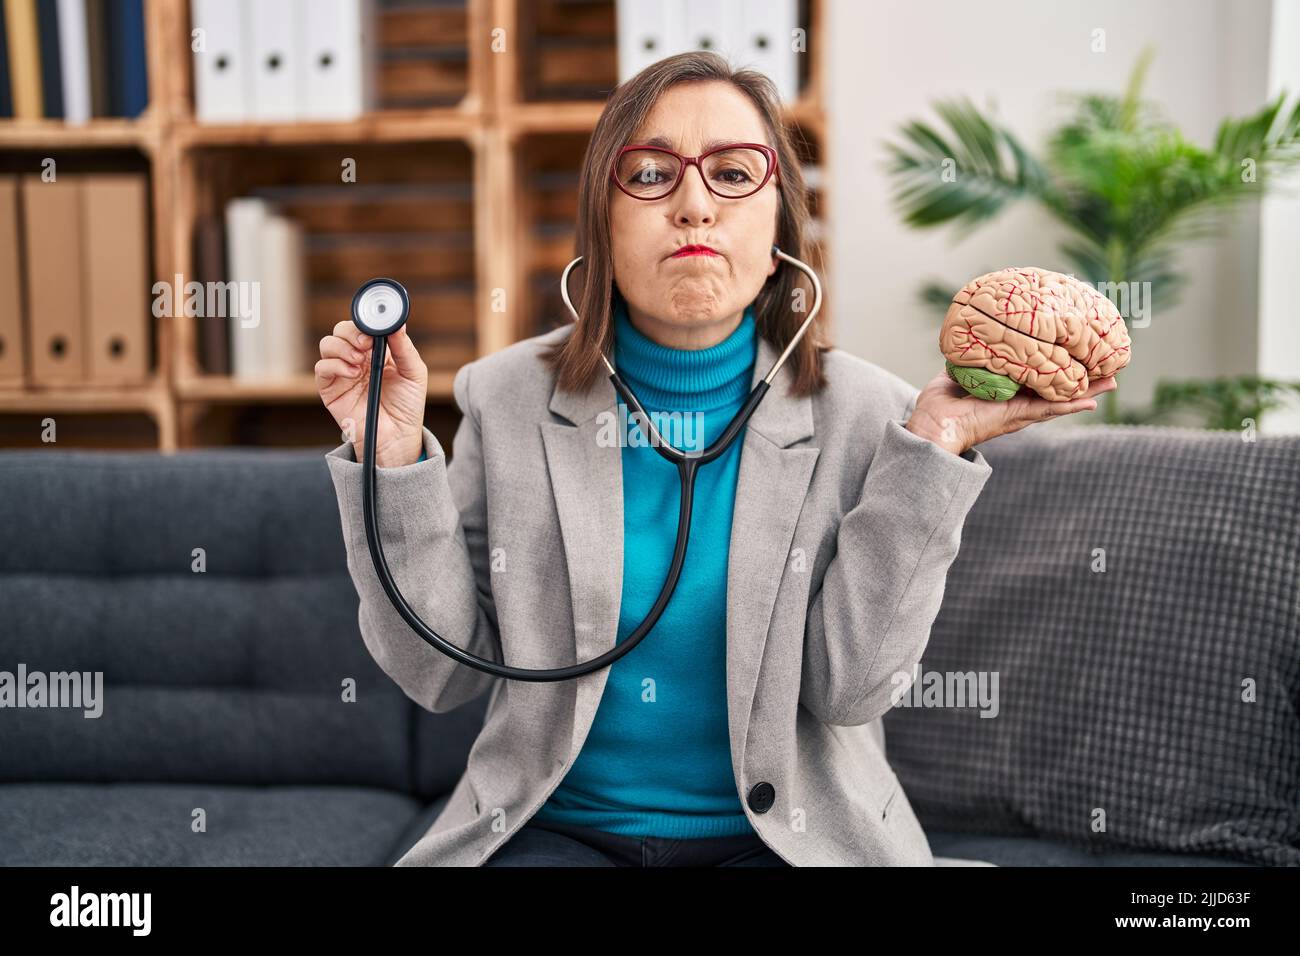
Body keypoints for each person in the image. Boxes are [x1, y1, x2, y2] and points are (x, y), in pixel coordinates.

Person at [314, 51, 1116, 867]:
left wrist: (934, 451)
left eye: (733, 174)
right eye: (652, 175)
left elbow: (852, 691)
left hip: (781, 841)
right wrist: (392, 462)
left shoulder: (872, 413)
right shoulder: (505, 396)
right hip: (555, 829)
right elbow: (442, 675)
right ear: (603, 225)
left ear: (777, 234)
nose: (694, 205)